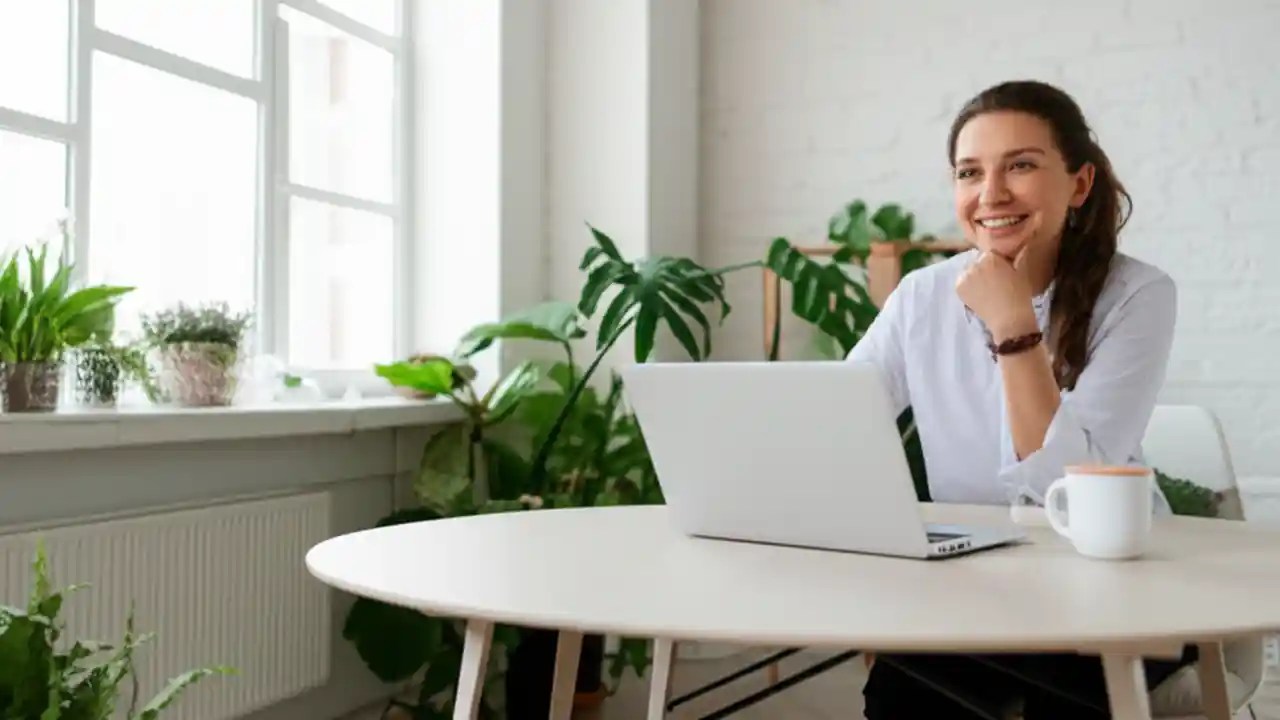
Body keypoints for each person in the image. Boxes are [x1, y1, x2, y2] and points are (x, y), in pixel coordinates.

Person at [846, 80, 1196, 718]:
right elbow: (838, 424)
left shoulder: (1139, 296)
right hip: (970, 590)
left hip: (1113, 586)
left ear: (1080, 184)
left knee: (1070, 697)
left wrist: (1013, 328)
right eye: (969, 172)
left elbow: (1067, 485)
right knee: (902, 698)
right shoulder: (922, 298)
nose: (991, 194)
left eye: (1021, 166)